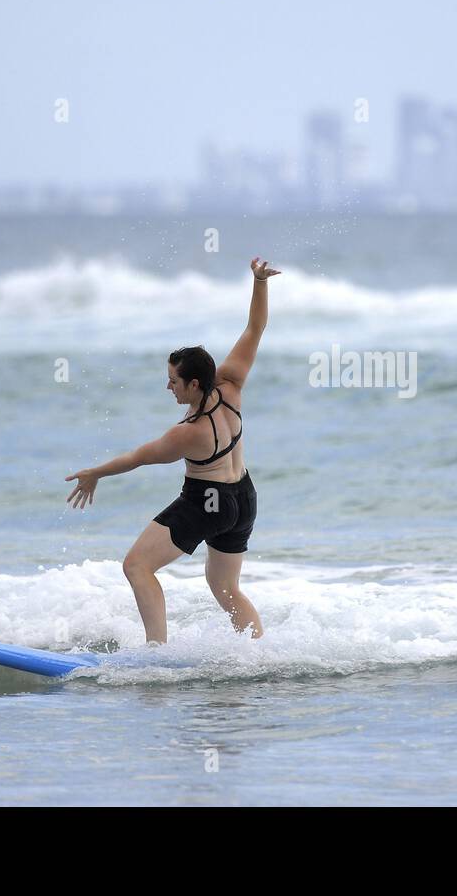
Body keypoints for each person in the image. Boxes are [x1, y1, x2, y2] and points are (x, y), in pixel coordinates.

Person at [65, 257, 279, 643]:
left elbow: (137, 458)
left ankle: (156, 653)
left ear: (194, 384)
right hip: (243, 497)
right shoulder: (231, 386)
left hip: (207, 501)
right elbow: (255, 327)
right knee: (227, 588)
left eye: (173, 382)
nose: (169, 389)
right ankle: (259, 653)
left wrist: (94, 473)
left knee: (137, 565)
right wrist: (260, 282)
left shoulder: (189, 432)